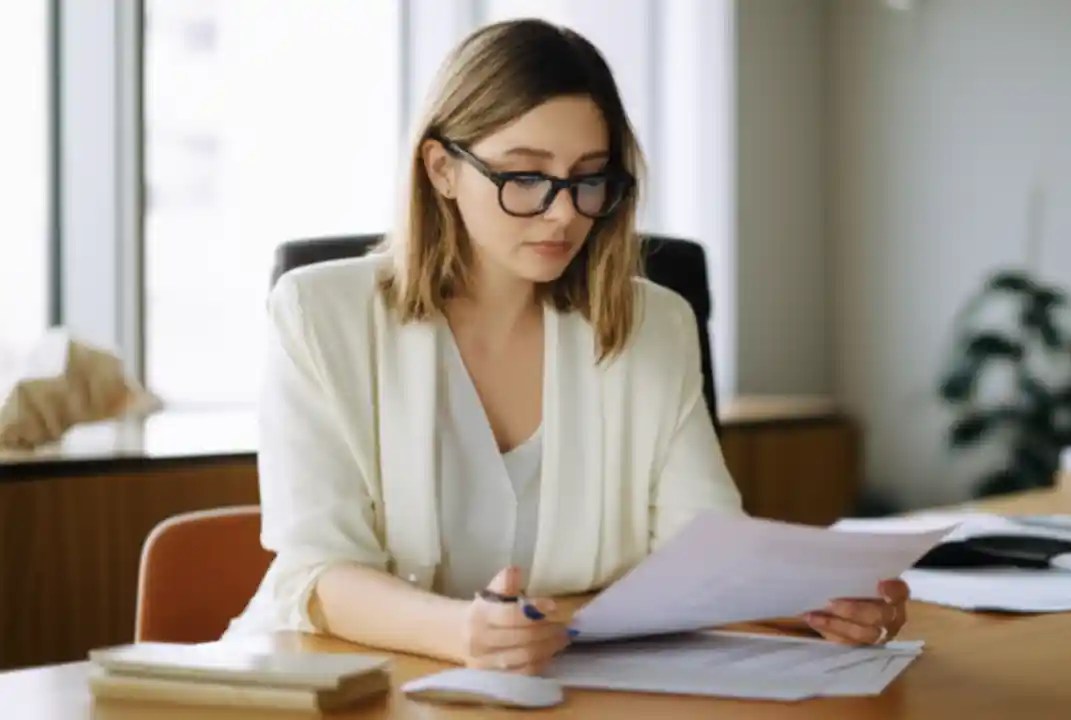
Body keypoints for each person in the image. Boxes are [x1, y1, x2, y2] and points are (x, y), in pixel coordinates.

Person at [225, 18, 910, 675]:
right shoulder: (318, 315)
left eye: (589, 179)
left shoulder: (654, 325)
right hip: (341, 682)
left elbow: (701, 555)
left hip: (562, 686)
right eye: (525, 176)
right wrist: (464, 634)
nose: (564, 212)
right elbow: (317, 574)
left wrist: (811, 603)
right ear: (441, 169)